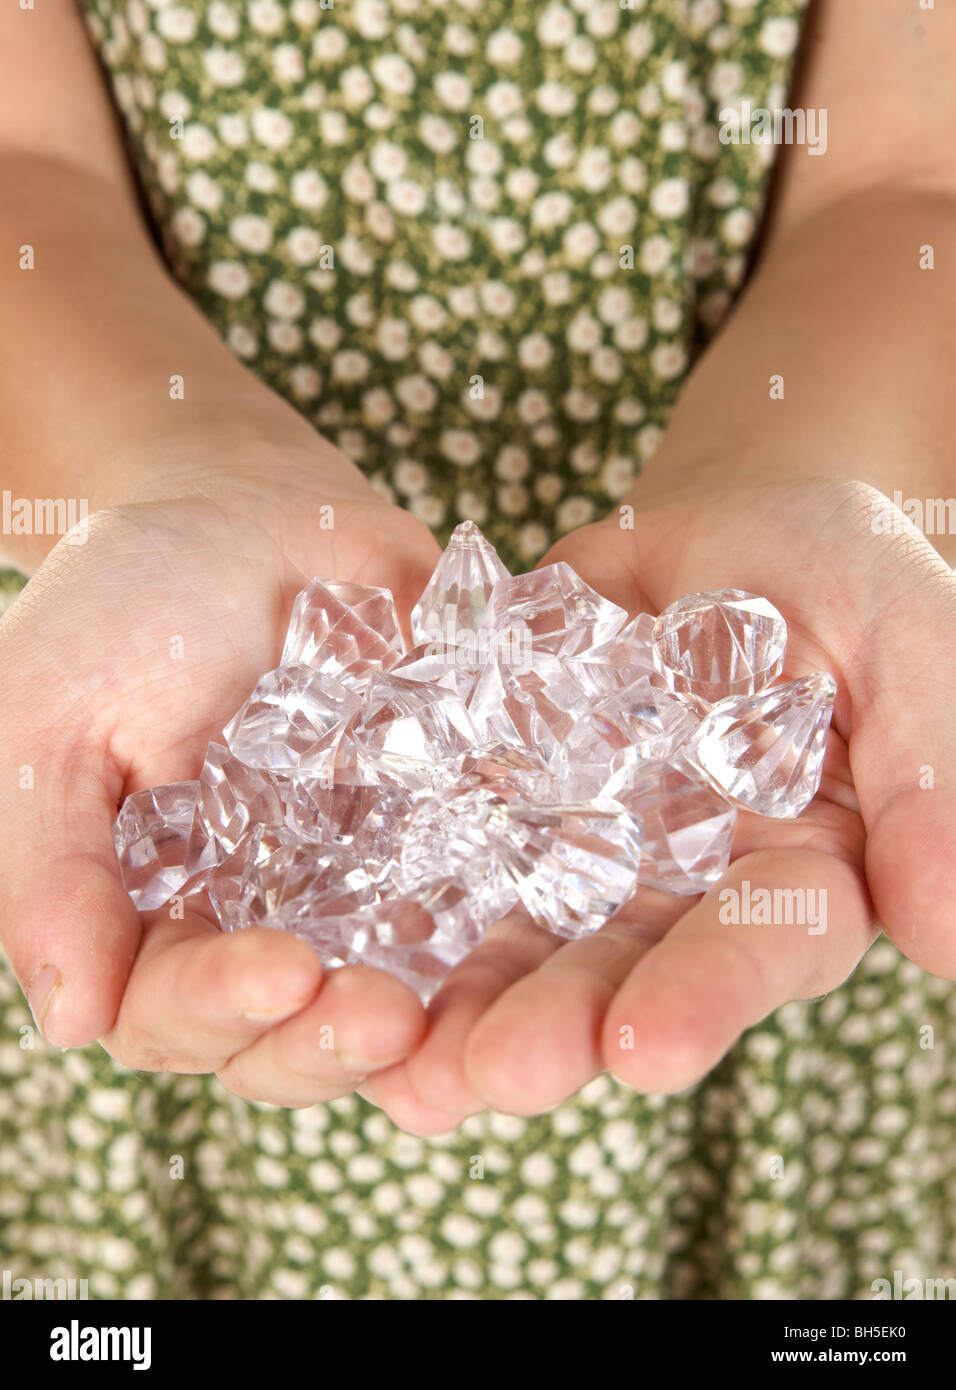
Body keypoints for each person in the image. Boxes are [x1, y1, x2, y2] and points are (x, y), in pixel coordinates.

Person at [0, 0, 954, 1301]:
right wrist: (153, 464)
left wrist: (814, 462)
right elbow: (21, 165)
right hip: (156, 562)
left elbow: (907, 176)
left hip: (748, 990)